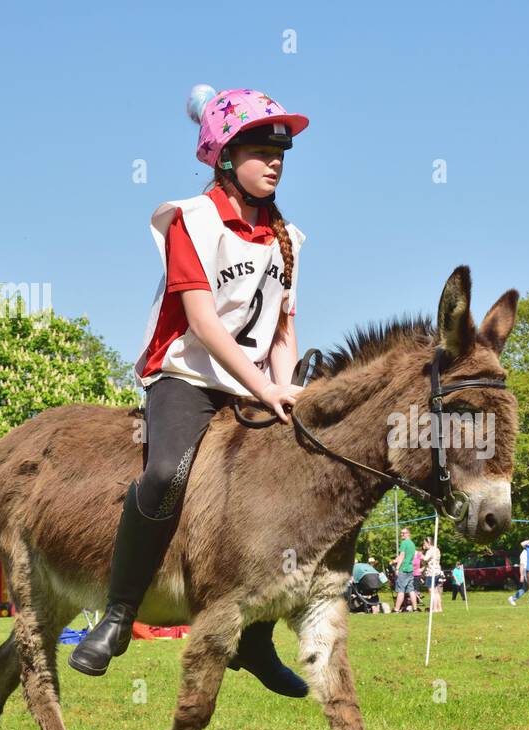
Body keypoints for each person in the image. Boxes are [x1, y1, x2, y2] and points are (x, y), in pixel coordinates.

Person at [68, 85, 310, 697]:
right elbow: (203, 324)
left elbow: (284, 329)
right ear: (224, 158)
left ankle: (255, 639)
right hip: (187, 378)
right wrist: (263, 388)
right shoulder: (190, 220)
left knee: (287, 490)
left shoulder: (291, 239)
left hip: (256, 387)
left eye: (280, 150)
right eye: (260, 149)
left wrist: (287, 390)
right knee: (165, 475)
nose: (275, 160)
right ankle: (118, 615)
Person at [393, 527, 417, 613]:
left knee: (401, 590)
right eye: (401, 533)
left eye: (404, 533)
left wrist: (397, 568)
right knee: (411, 590)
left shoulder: (404, 543)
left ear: (408, 534)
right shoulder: (412, 544)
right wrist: (397, 559)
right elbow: (408, 556)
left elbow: (402, 556)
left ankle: (396, 609)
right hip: (410, 569)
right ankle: (415, 609)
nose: (402, 534)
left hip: (403, 569)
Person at [422, 536, 443, 613]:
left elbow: (425, 559)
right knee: (436, 591)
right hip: (437, 571)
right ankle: (439, 608)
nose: (423, 545)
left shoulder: (430, 550)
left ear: (429, 543)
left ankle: (434, 608)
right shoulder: (437, 549)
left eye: (424, 543)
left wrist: (418, 554)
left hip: (431, 572)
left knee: (432, 591)